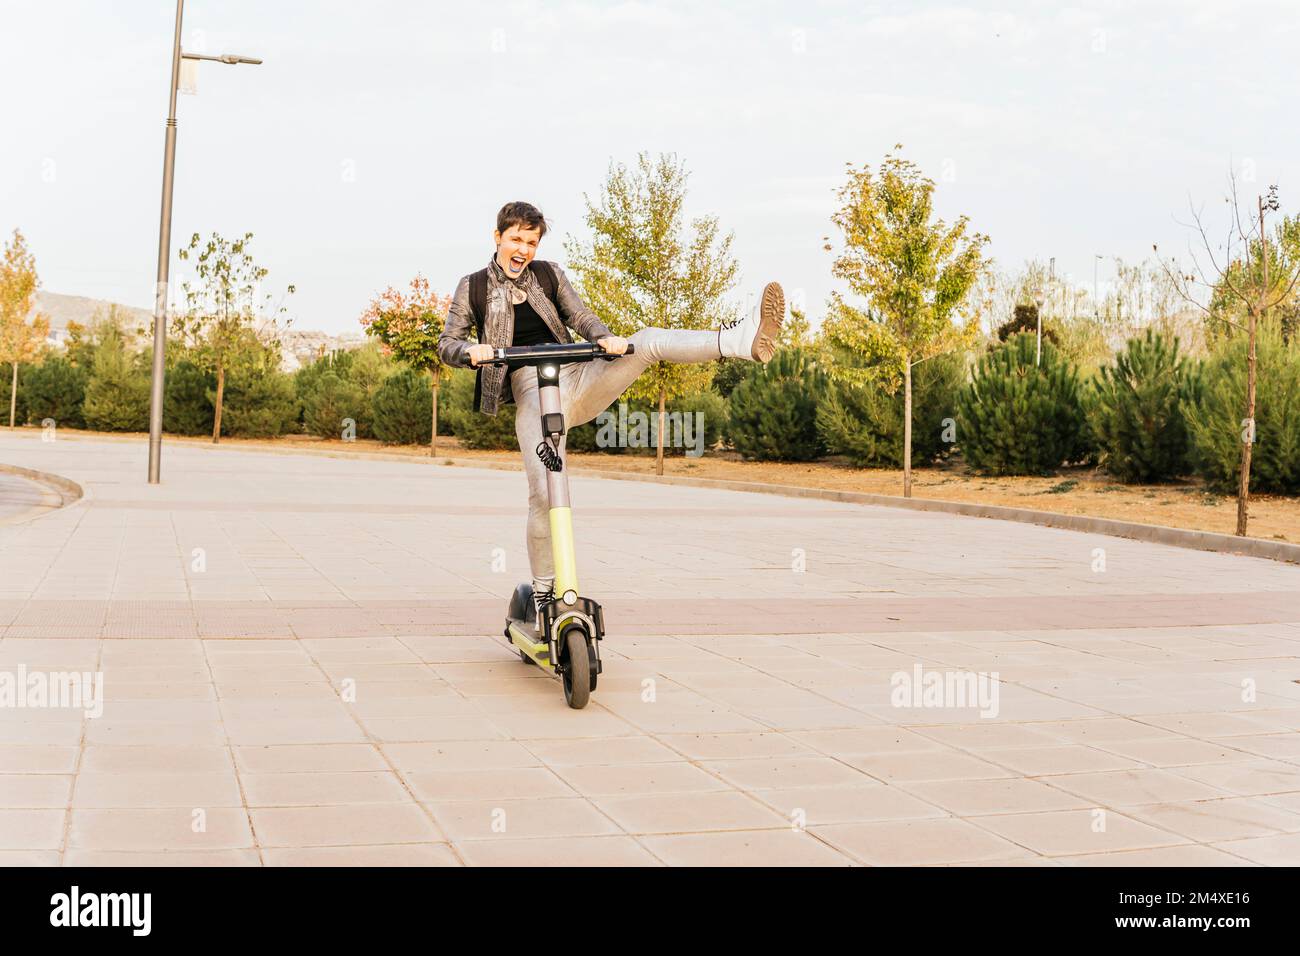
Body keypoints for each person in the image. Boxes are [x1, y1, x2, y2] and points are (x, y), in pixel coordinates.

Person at [437, 200, 784, 625]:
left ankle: (737, 341)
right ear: (498, 237)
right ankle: (545, 593)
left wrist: (605, 338)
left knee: (648, 340)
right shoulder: (472, 286)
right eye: (515, 239)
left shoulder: (548, 274)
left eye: (531, 241)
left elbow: (579, 315)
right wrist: (470, 351)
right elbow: (446, 342)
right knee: (543, 494)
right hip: (530, 388)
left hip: (578, 373)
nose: (523, 249)